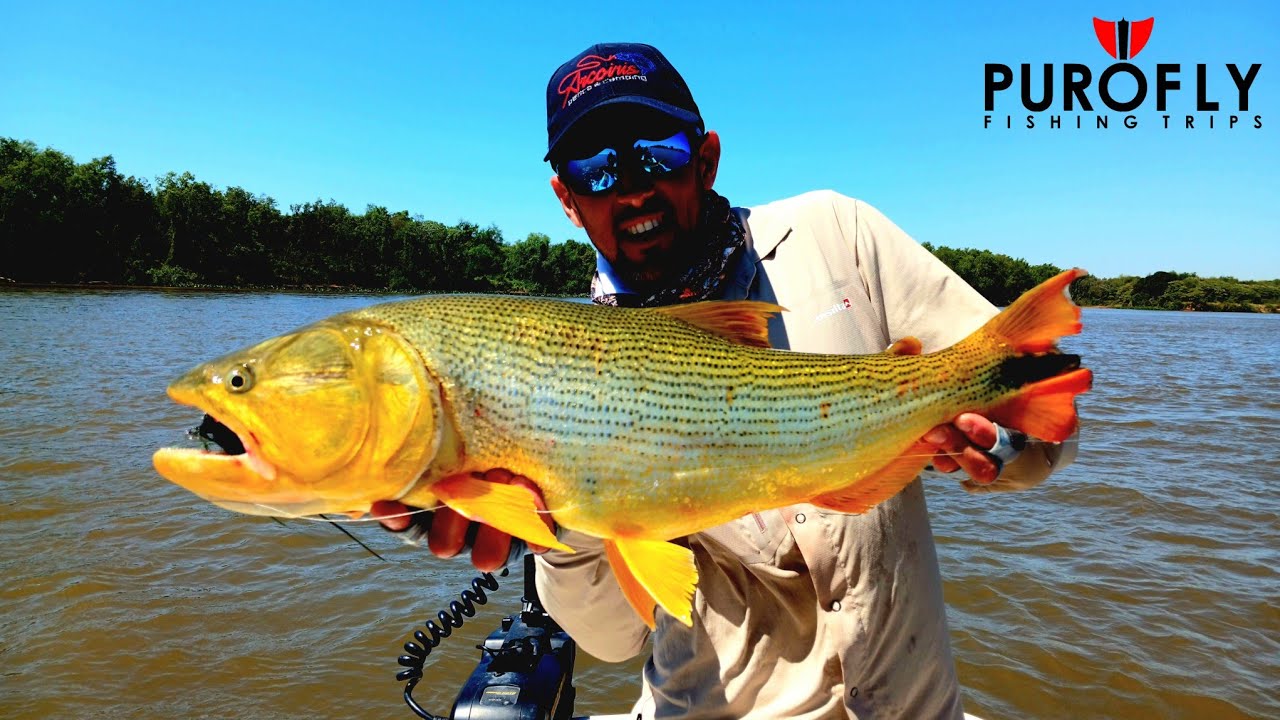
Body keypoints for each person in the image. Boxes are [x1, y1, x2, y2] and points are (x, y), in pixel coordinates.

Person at [378, 42, 1076, 719]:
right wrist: (550, 525)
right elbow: (612, 641)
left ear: (706, 159)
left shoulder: (838, 237)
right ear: (566, 198)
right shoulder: (552, 377)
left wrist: (996, 445)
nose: (631, 188)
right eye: (595, 169)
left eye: (659, 152)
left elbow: (1048, 420)